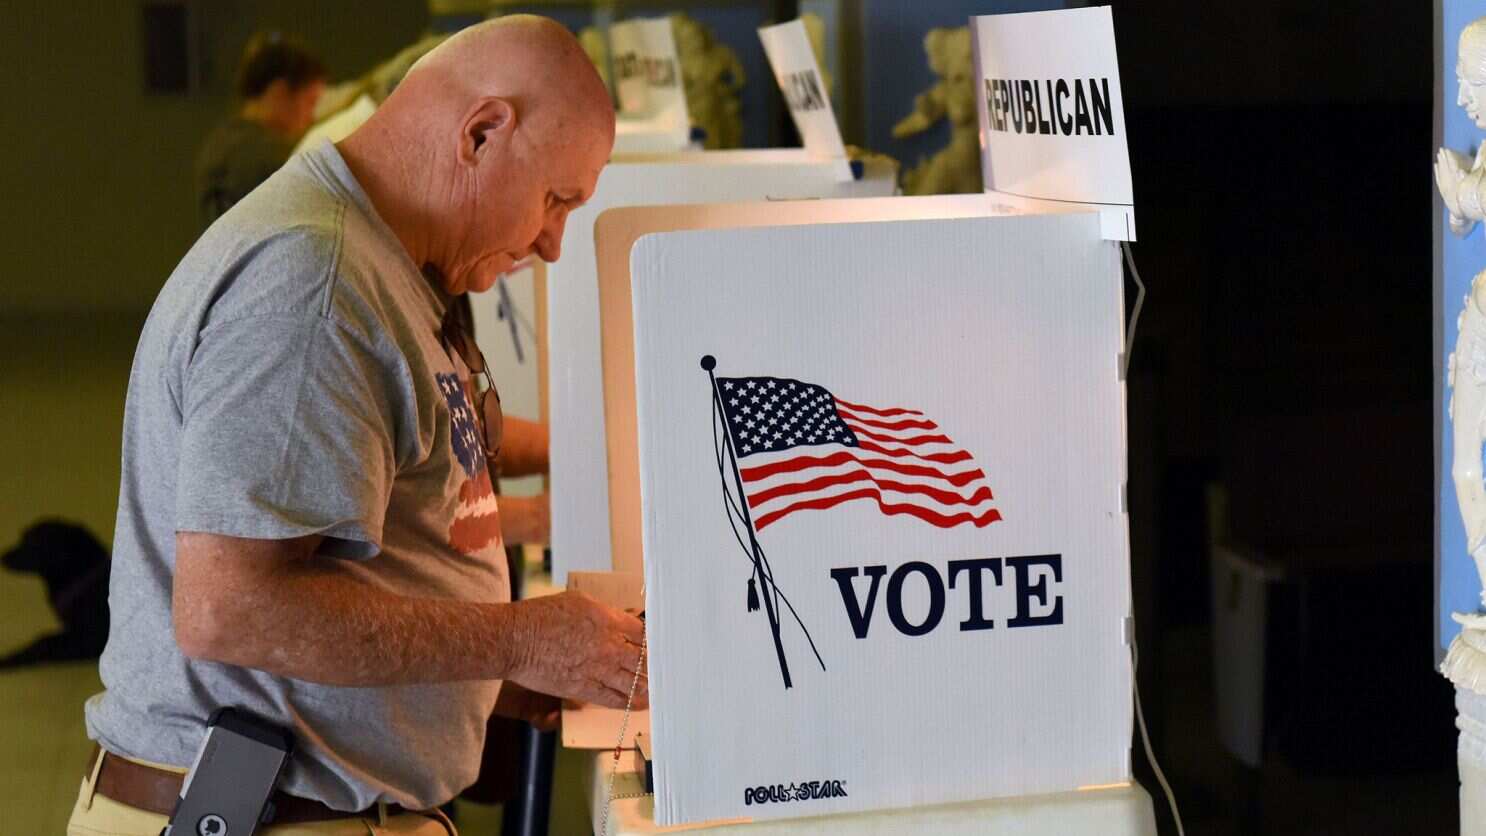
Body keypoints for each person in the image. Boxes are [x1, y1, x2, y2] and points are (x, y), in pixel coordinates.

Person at [68, 16, 643, 836]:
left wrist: (502, 676)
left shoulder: (387, 268)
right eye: (556, 200)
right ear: (482, 132)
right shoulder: (318, 283)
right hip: (268, 813)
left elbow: (386, 549)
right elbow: (232, 609)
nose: (551, 243)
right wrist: (519, 639)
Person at [195, 32, 327, 225]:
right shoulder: (266, 155)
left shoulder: (223, 142)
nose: (312, 115)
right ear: (279, 93)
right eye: (310, 102)